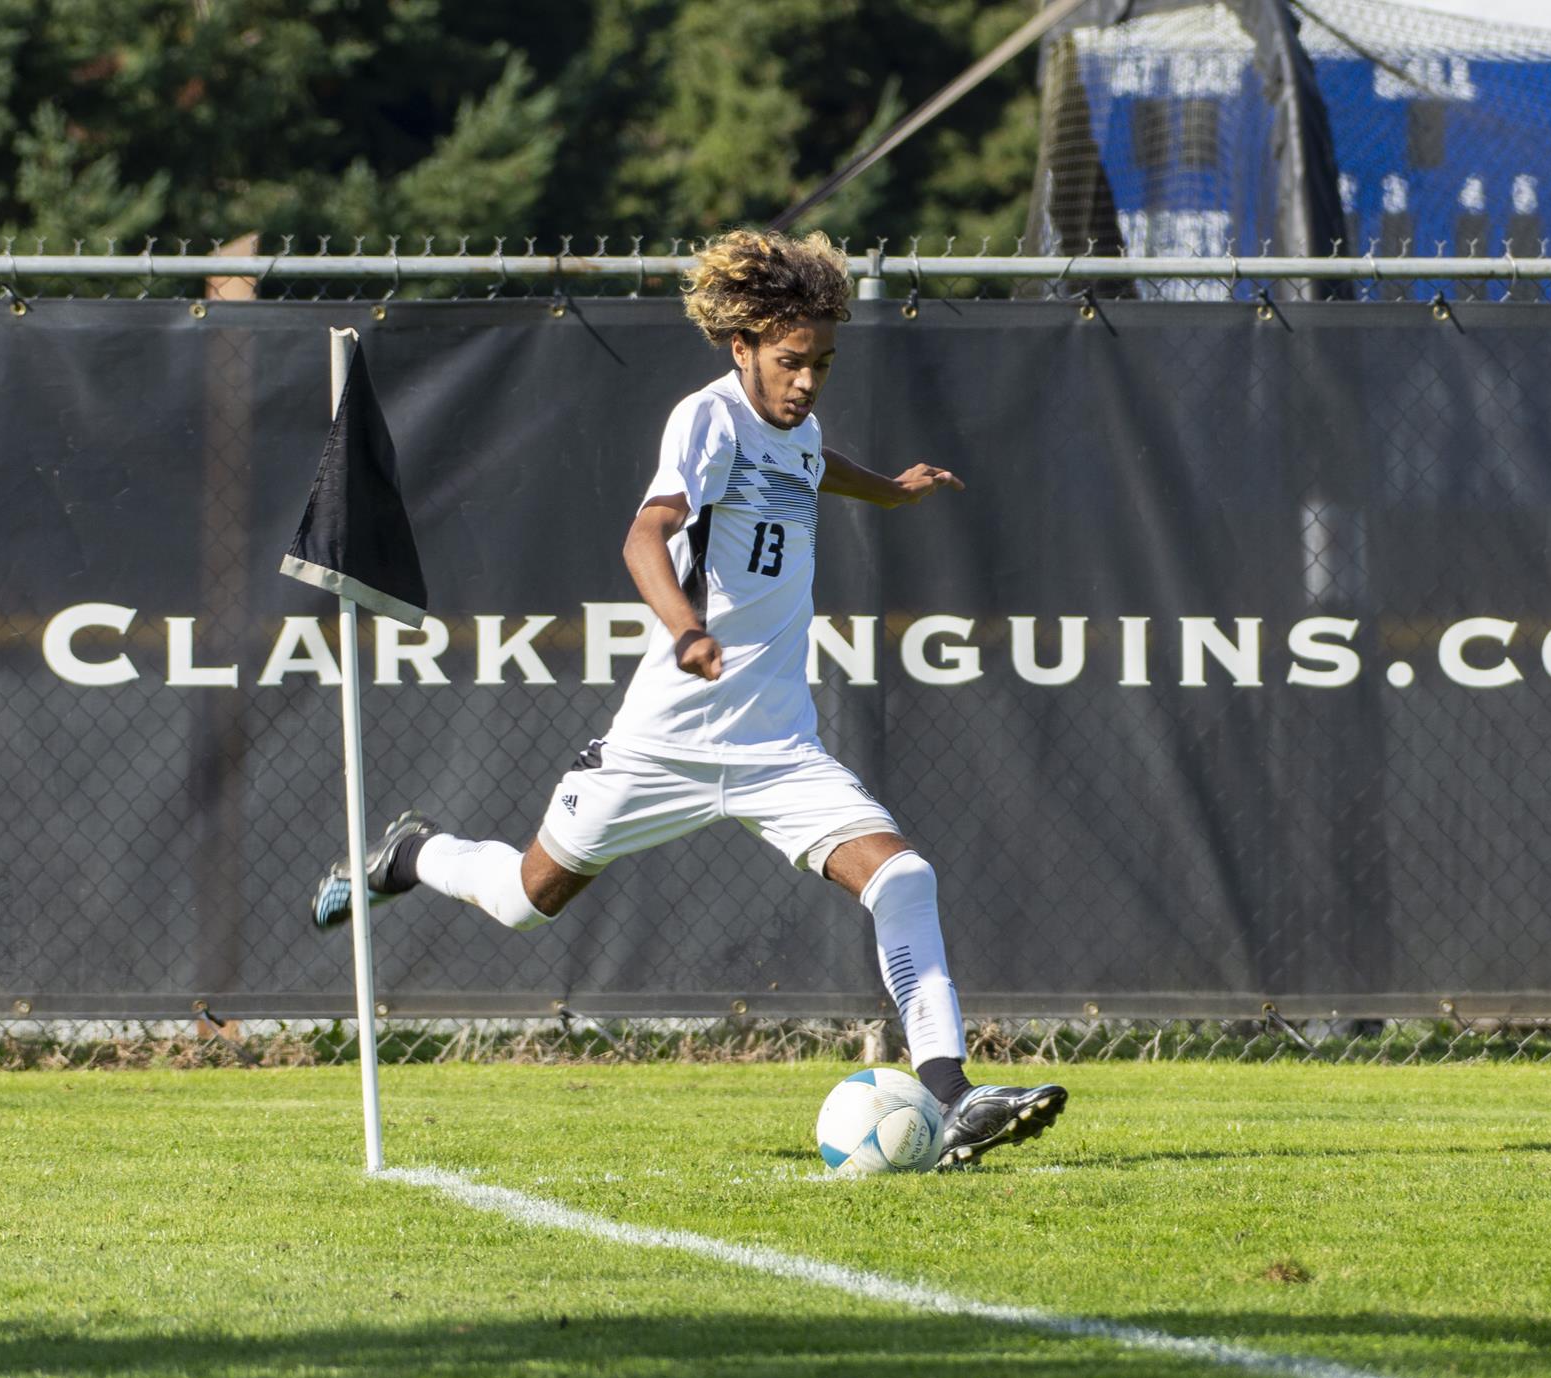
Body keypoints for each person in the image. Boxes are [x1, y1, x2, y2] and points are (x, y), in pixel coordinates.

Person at [312, 229, 1065, 1169]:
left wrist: (892, 493)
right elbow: (646, 533)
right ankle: (415, 853)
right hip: (664, 739)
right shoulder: (704, 419)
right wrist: (685, 628)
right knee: (522, 899)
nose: (807, 382)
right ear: (740, 345)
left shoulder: (803, 427)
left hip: (777, 747)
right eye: (790, 361)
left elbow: (812, 465)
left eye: (823, 364)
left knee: (905, 878)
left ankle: (953, 1097)